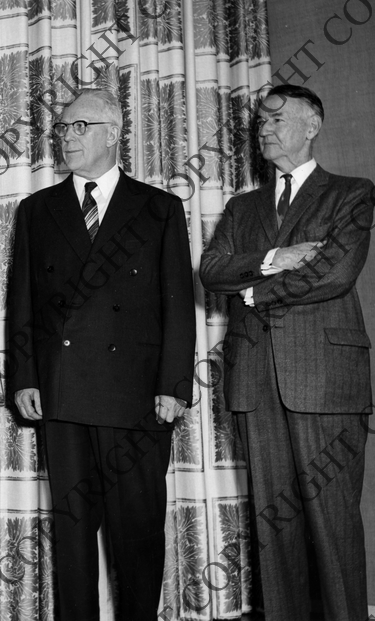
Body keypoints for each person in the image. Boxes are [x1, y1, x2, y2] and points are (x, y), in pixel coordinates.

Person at [7, 89, 195, 621]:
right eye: (62, 128)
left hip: (136, 396)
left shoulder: (159, 208)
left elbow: (177, 304)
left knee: (136, 532)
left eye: (79, 126)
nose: (67, 137)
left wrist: (174, 385)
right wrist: (24, 376)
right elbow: (22, 301)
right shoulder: (37, 210)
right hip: (62, 394)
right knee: (72, 537)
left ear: (114, 133)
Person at [200, 84, 372, 620]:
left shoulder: (352, 193)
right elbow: (210, 271)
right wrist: (276, 257)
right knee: (274, 532)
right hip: (255, 381)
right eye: (259, 123)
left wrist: (252, 289)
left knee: (332, 522)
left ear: (312, 125)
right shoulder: (243, 206)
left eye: (276, 119)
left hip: (325, 380)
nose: (264, 130)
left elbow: (335, 272)